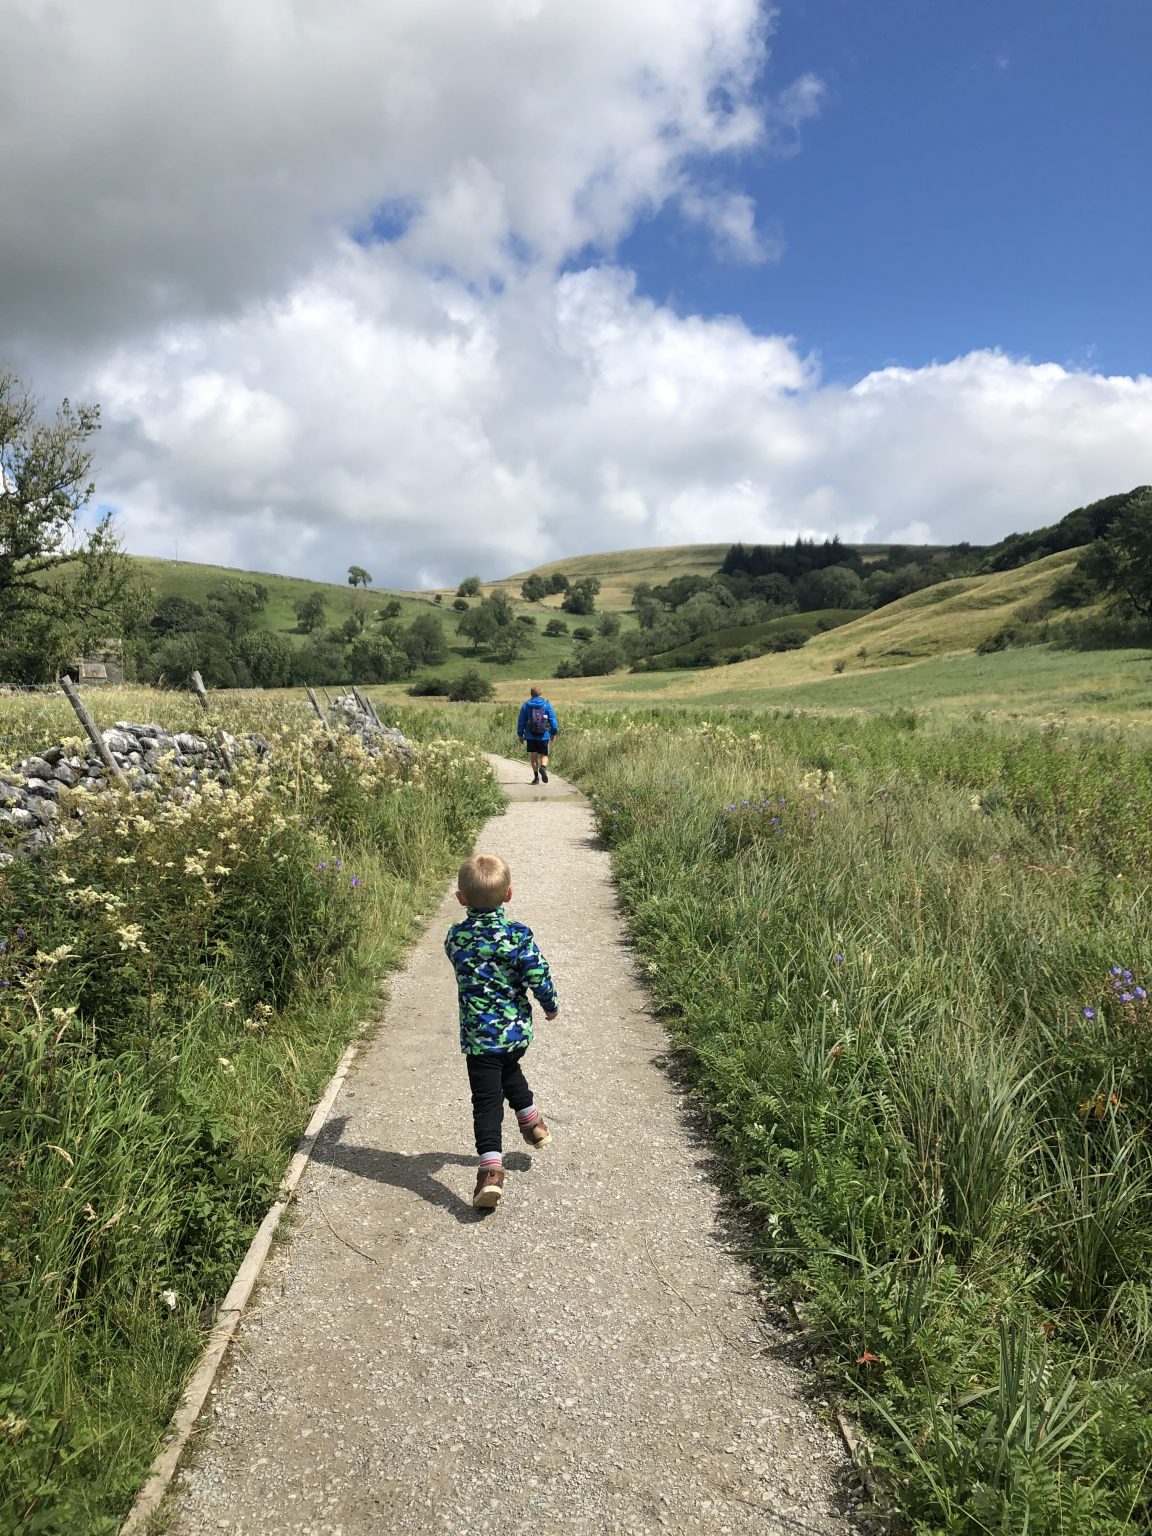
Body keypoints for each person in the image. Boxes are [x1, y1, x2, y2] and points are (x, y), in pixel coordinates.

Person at [444, 852, 560, 1210]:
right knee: (509, 1070)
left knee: (487, 1101)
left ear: (461, 899)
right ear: (509, 894)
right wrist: (550, 1004)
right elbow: (537, 974)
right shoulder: (519, 937)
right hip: (514, 1034)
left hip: (480, 1038)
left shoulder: (456, 939)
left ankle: (491, 1171)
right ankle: (532, 1123)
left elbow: (460, 960)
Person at [516, 686, 559, 784]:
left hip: (530, 736)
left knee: (533, 756)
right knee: (544, 754)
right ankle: (543, 767)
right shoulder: (546, 704)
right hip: (543, 735)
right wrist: (553, 732)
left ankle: (536, 778)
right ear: (540, 693)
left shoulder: (526, 705)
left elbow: (521, 721)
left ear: (531, 694)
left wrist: (520, 734)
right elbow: (552, 720)